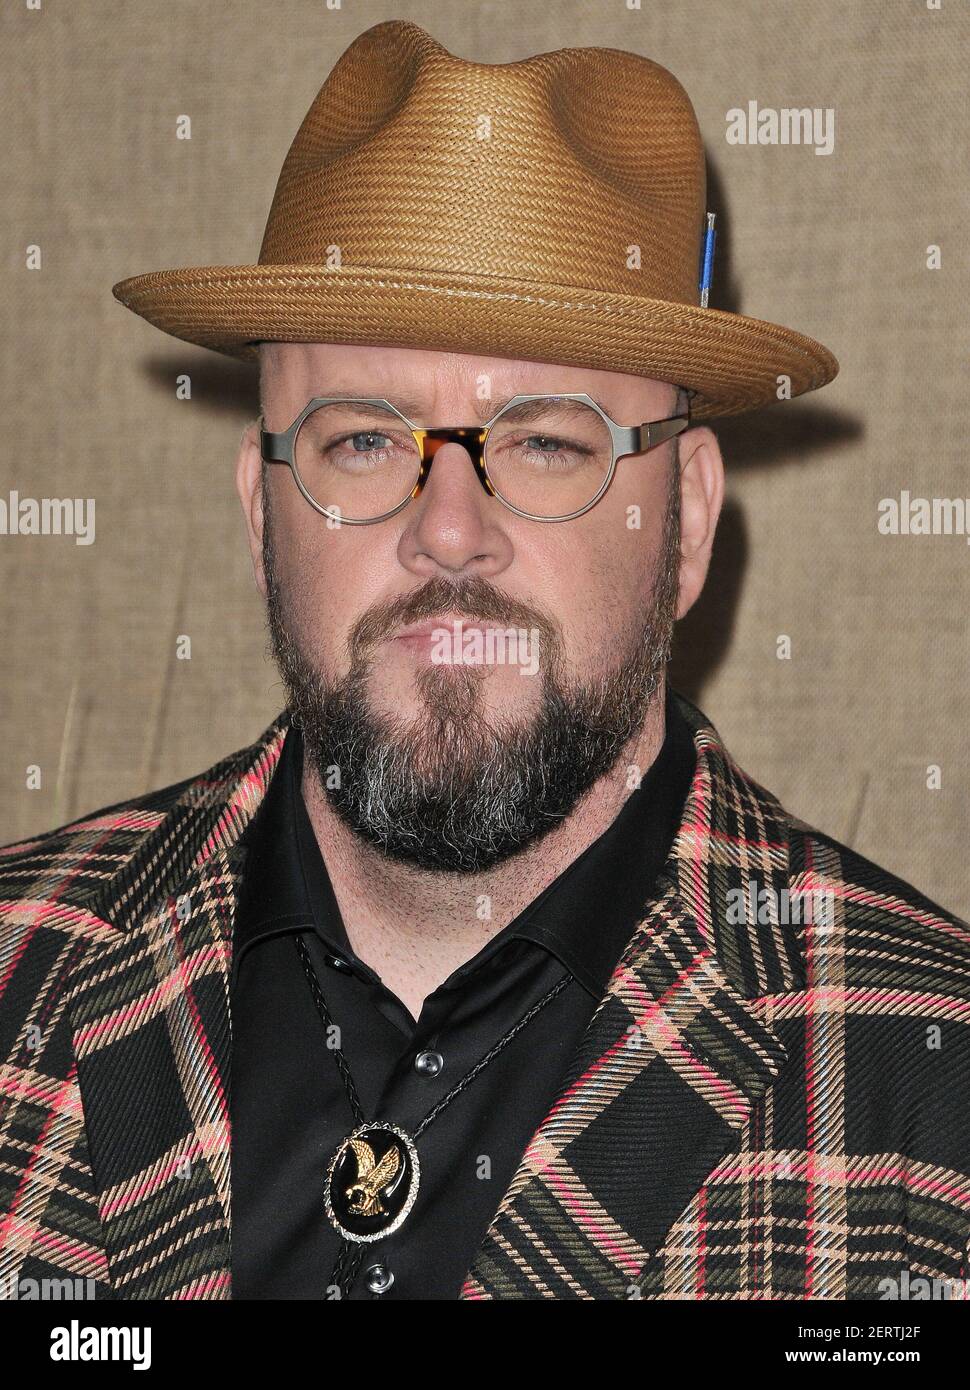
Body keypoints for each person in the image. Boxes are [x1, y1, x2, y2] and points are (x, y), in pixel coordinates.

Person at [1, 20, 967, 1302]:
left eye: (546, 443)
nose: (448, 531)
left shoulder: (928, 1083)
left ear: (685, 519)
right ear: (259, 513)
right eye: (362, 440)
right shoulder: (20, 965)